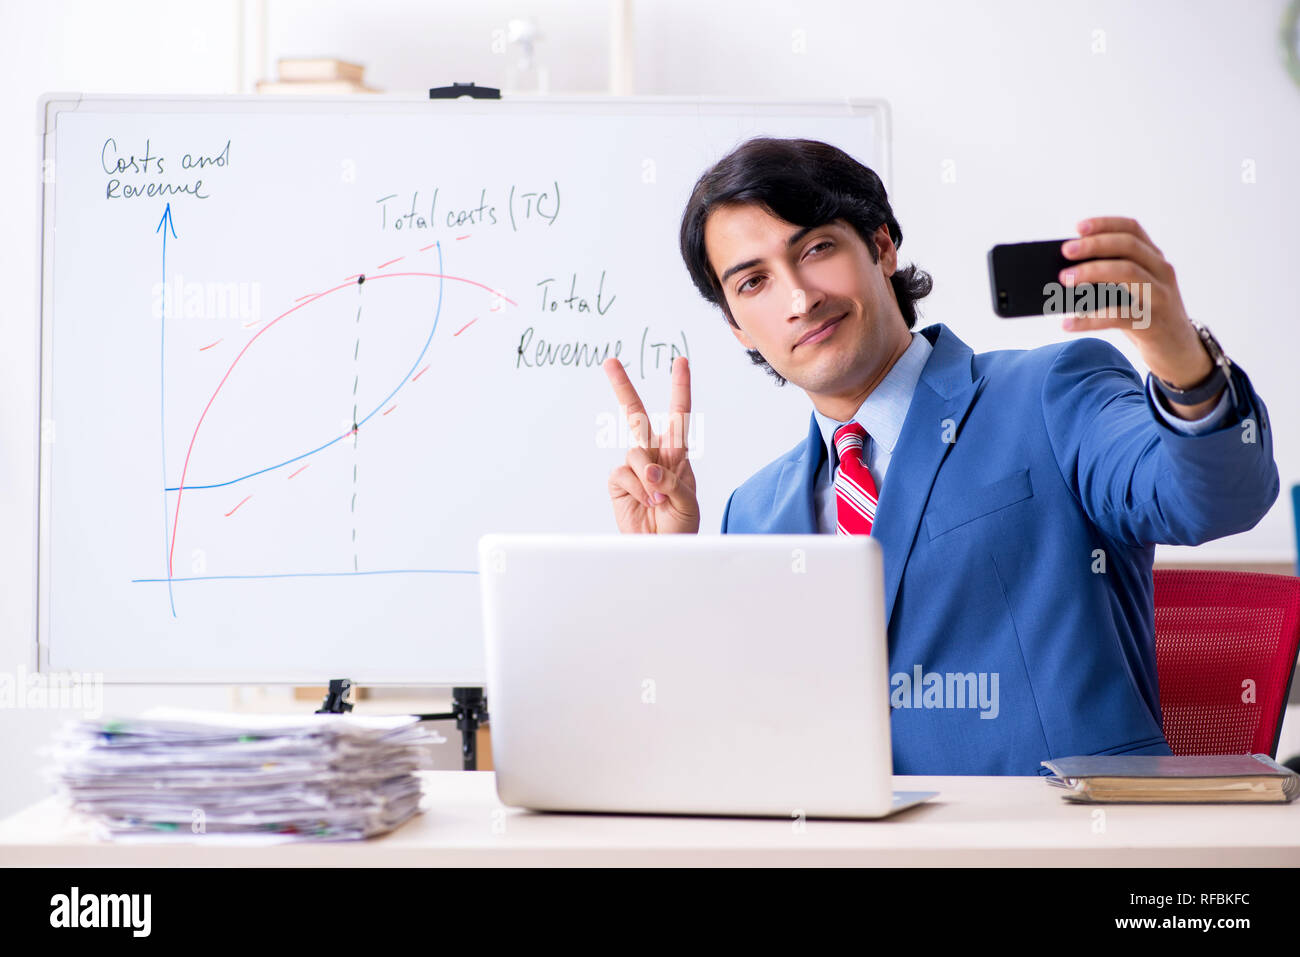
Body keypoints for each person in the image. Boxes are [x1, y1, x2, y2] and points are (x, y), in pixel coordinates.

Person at [601, 137, 1279, 775]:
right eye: (753, 283)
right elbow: (737, 737)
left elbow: (1216, 496)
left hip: (1068, 847)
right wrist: (670, 567)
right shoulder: (752, 512)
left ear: (882, 245)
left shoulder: (1051, 392)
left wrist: (1180, 359)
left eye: (815, 249)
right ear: (736, 326)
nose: (799, 298)